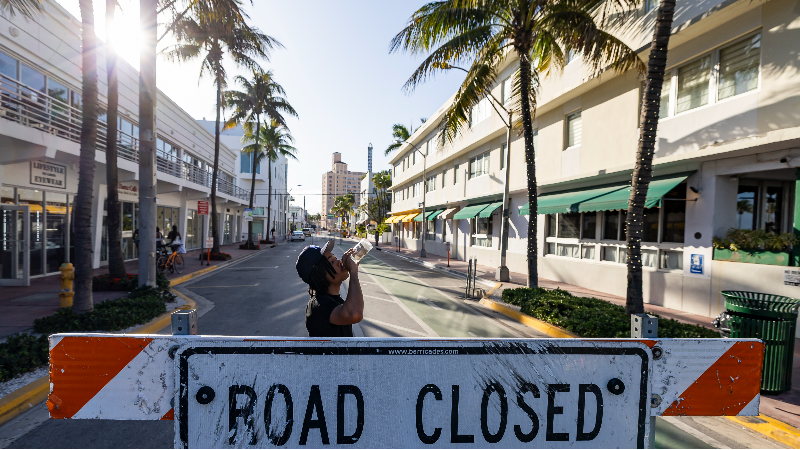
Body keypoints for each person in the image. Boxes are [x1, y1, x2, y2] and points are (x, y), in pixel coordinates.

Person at [296, 239, 363, 337]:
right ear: (321, 276)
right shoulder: (319, 307)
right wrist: (353, 272)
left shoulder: (334, 300)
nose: (339, 262)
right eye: (332, 261)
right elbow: (355, 314)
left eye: (335, 257)